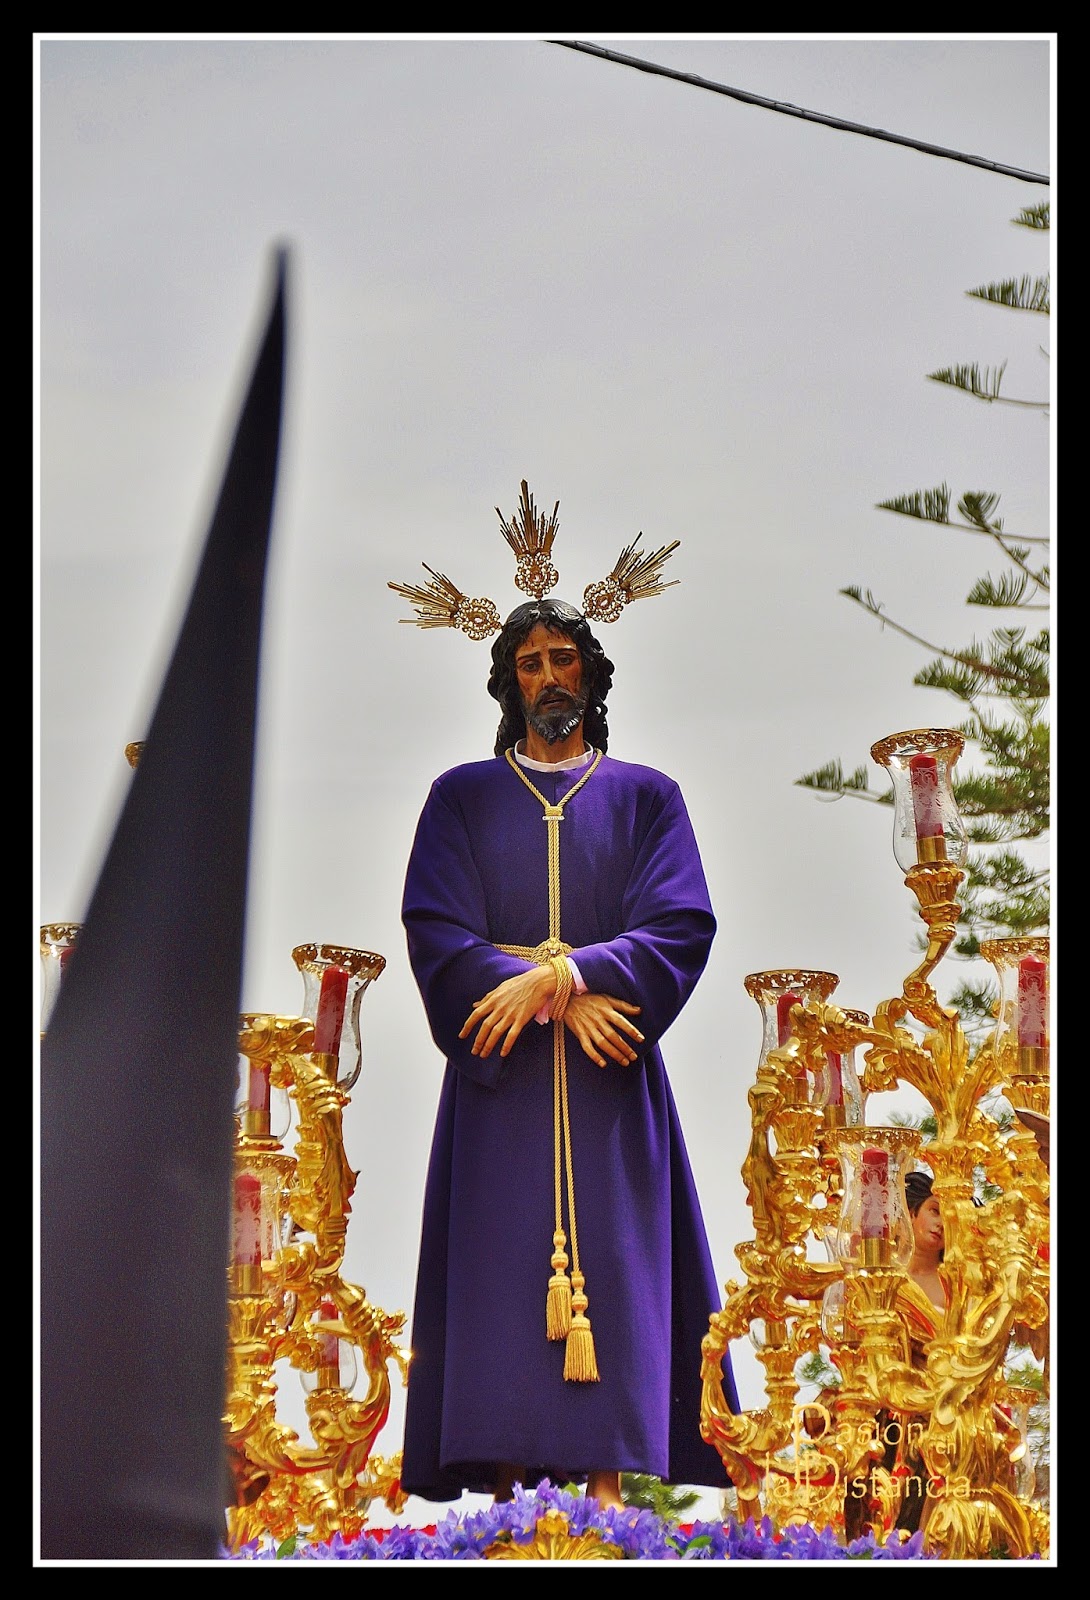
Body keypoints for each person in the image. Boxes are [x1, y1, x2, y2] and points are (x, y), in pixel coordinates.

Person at [398, 595, 738, 1510]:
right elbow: (435, 927)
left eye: (563, 658)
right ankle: (509, 1508)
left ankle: (610, 1505)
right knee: (501, 1286)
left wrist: (564, 979)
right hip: (499, 1089)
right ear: (511, 683)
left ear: (590, 671)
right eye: (531, 664)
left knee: (622, 1282)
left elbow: (679, 923)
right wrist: (554, 993)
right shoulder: (461, 798)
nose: (550, 677)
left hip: (611, 1085)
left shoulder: (647, 798)